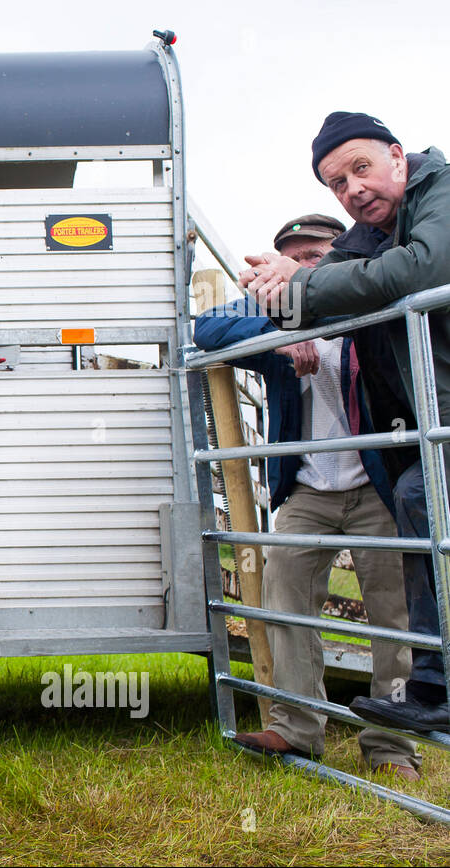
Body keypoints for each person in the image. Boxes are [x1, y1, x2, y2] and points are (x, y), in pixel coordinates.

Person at [241, 112, 450, 732]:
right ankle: (316, 721)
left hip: (376, 472)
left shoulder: (439, 192)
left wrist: (304, 285)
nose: (354, 188)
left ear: (397, 156)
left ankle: (398, 733)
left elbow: (419, 272)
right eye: (337, 182)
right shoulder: (369, 237)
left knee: (405, 549)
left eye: (362, 168)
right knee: (415, 507)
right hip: (325, 480)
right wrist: (277, 295)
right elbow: (244, 320)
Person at [195, 214, 419, 779]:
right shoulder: (279, 320)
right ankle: (297, 730)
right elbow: (209, 329)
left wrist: (316, 315)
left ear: (339, 258)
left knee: (393, 620)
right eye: (291, 258)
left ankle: (391, 747)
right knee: (285, 602)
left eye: (315, 256)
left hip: (378, 488)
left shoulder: (370, 307)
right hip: (307, 490)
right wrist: (284, 330)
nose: (303, 267)